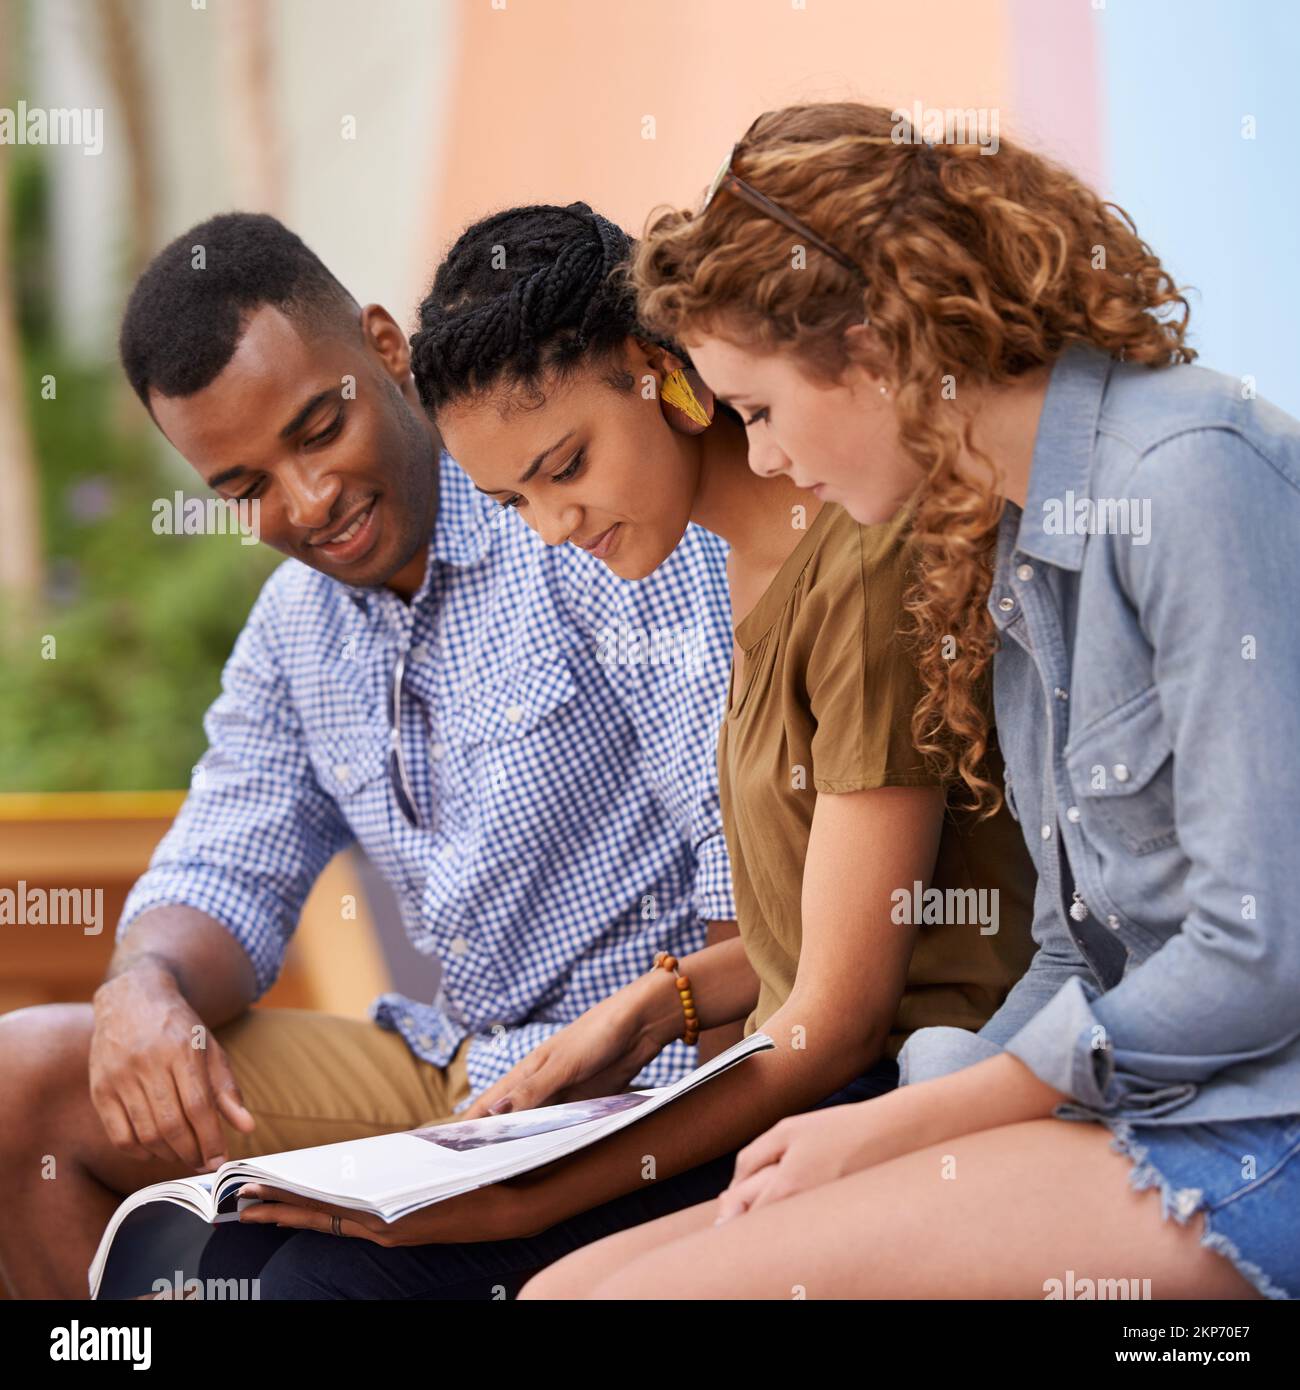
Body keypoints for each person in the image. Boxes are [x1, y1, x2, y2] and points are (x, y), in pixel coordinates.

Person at [520, 102, 1300, 1299]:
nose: (765, 460)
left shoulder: (1191, 472)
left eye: (759, 411)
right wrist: (928, 1116)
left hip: (1258, 1127)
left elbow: (1261, 954)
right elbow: (1069, 950)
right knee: (565, 1289)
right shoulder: (1011, 535)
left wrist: (910, 1126)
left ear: (876, 347)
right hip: (1137, 1103)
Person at [225, 201, 1035, 1298]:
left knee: (338, 1287)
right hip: (802, 1078)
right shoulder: (742, 569)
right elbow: (816, 929)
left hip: (895, 1092)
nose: (555, 525)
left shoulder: (850, 562)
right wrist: (657, 1006)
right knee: (262, 1260)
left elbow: (838, 1019)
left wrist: (508, 1199)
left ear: (664, 371)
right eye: (515, 502)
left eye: (567, 465)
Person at [0, 212, 741, 1300]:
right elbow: (223, 870)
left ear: (384, 349)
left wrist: (661, 1033)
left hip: (643, 1072)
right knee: (26, 1088)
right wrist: (141, 987)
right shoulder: (295, 633)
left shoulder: (584, 519)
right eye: (246, 487)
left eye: (315, 432)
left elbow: (758, 903)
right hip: (459, 1073)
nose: (305, 504)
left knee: (293, 1284)